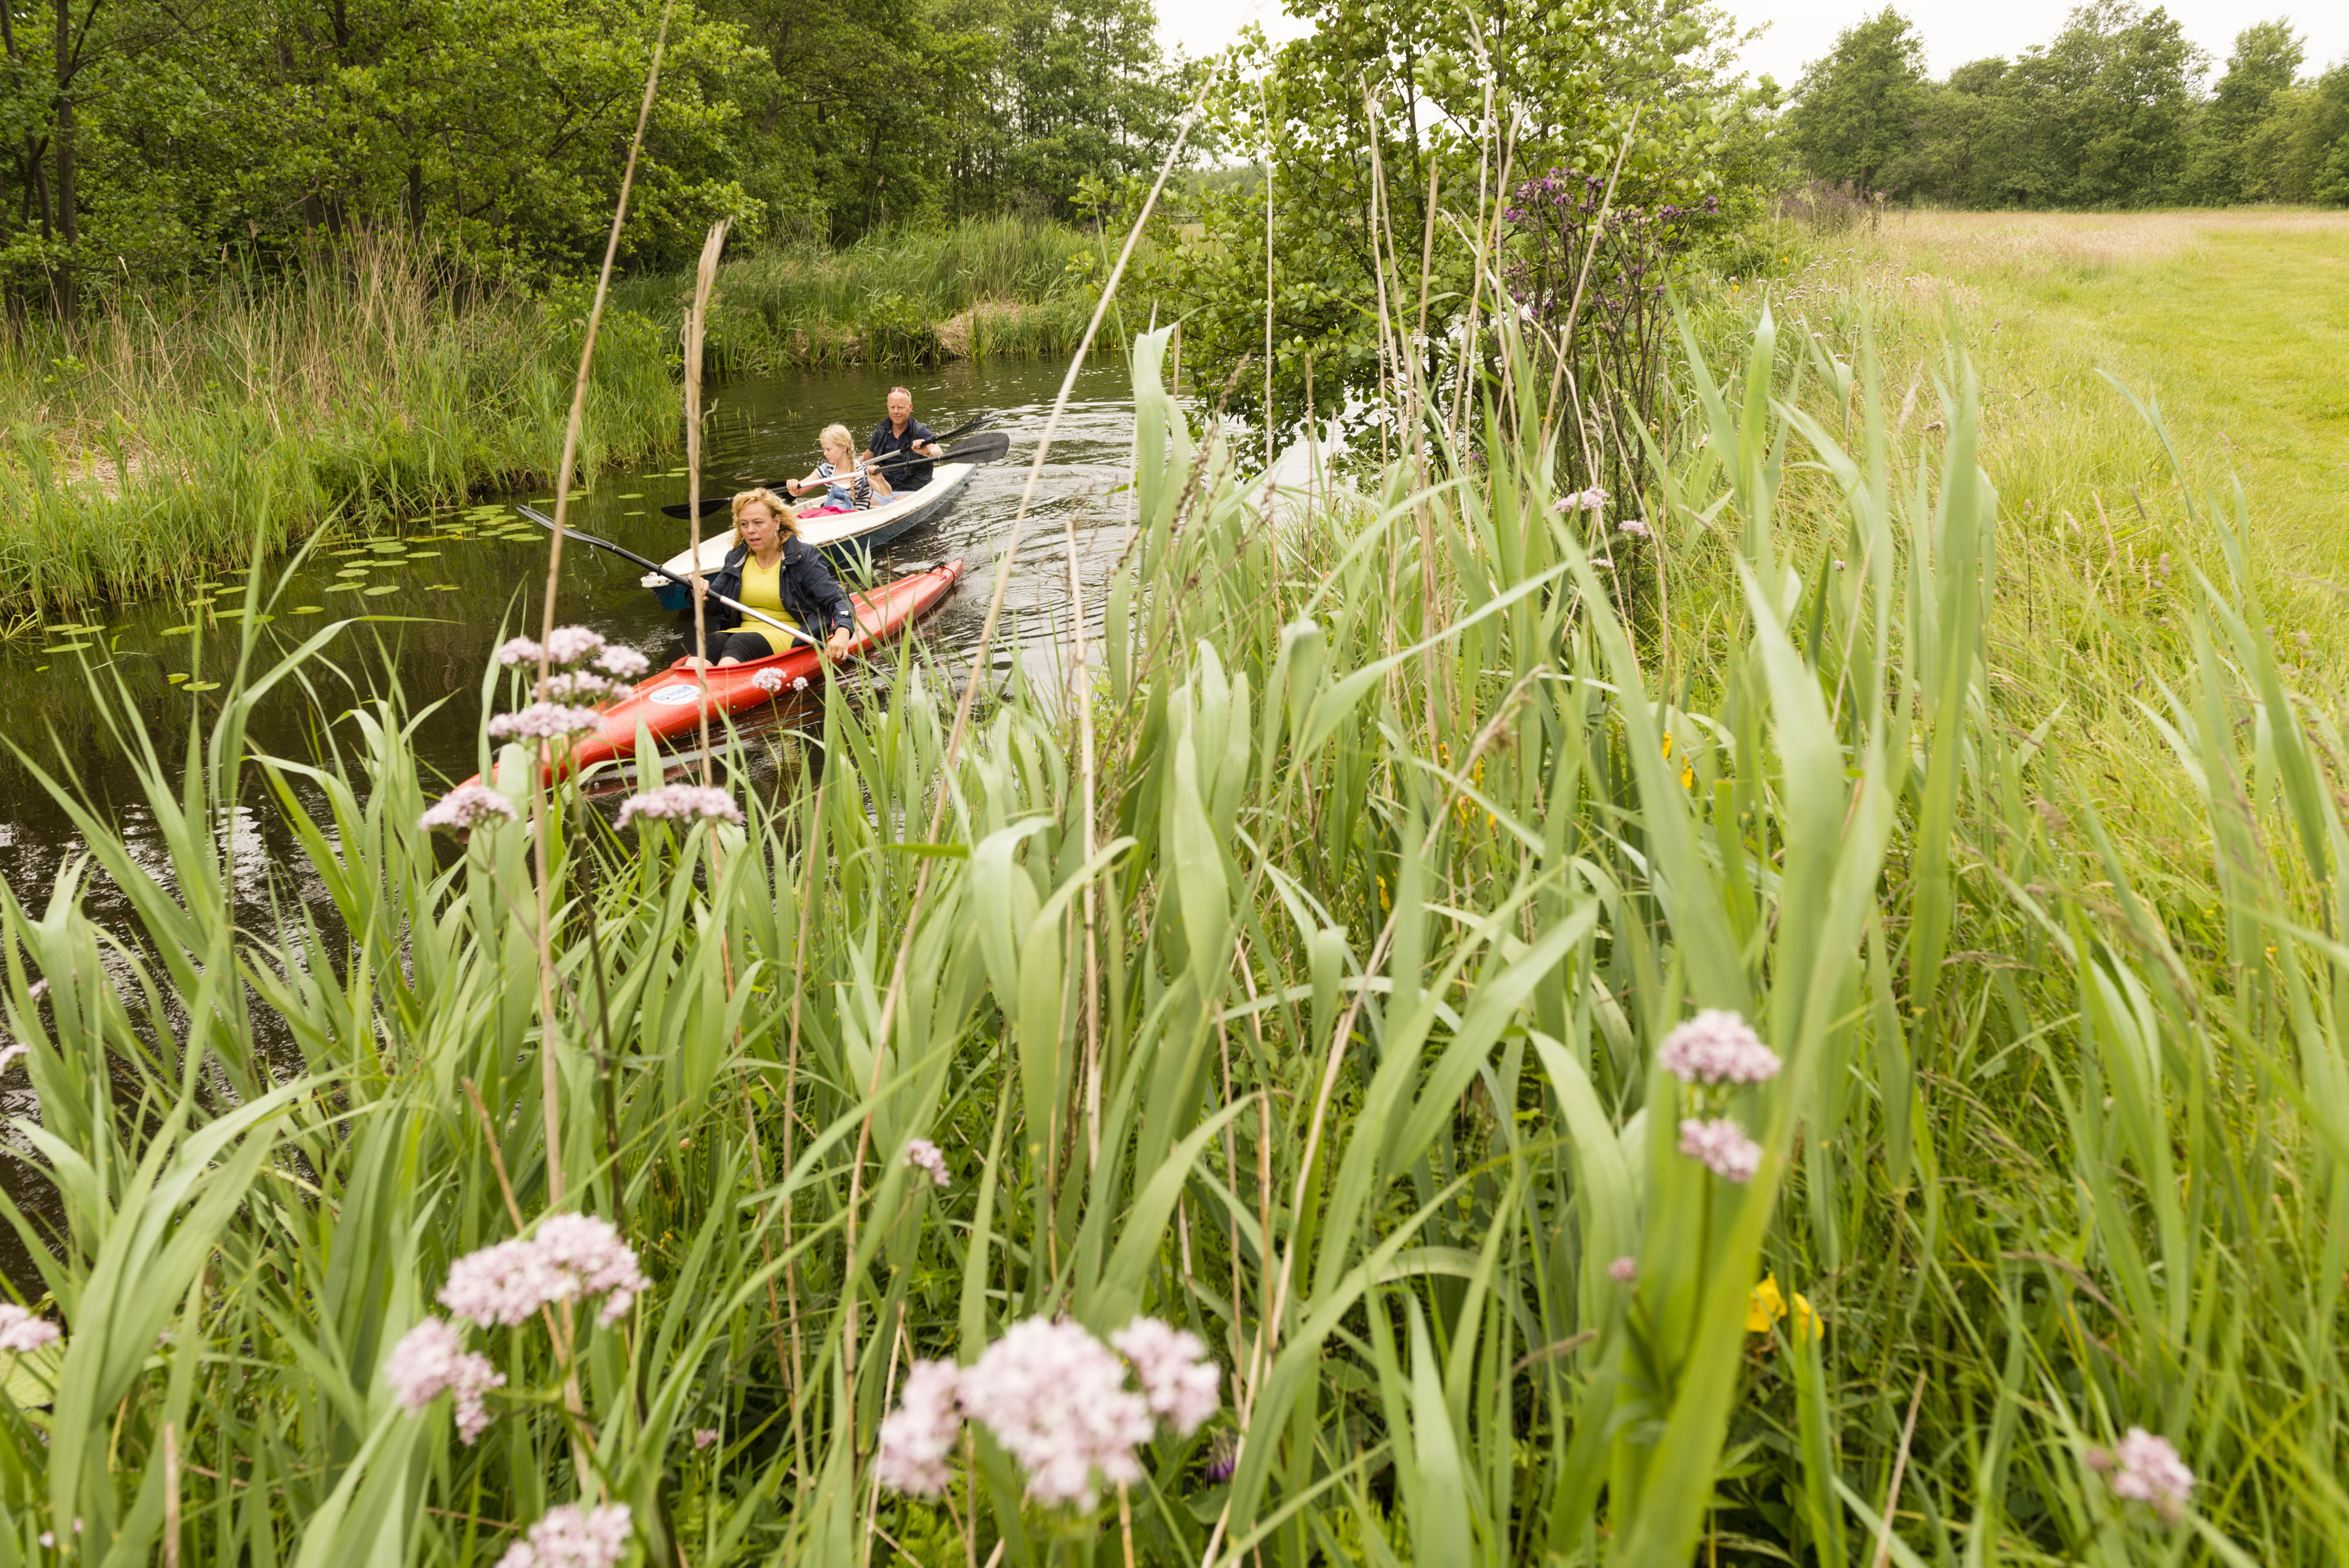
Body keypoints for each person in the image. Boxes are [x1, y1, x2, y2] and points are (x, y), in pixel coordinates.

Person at [689, 489, 857, 667]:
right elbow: (715, 606)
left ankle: (723, 680)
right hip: (742, 633)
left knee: (740, 644)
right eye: (744, 524)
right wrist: (699, 592)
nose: (750, 530)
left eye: (758, 523)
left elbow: (838, 599)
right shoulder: (737, 558)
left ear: (777, 522)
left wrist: (843, 631)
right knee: (708, 642)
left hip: (793, 633)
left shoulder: (803, 557)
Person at [788, 423, 893, 512]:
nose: (825, 453)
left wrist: (881, 480)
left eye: (828, 449)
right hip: (832, 518)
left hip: (856, 520)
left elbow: (887, 494)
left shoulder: (862, 471)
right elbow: (797, 492)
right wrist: (793, 485)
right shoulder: (825, 470)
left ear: (843, 448)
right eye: (824, 449)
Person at [863, 386, 937, 495]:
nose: (896, 411)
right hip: (885, 487)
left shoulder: (920, 430)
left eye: (901, 407)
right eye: (892, 407)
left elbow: (938, 452)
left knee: (899, 500)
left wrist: (927, 451)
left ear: (910, 407)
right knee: (869, 502)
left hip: (912, 487)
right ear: (888, 407)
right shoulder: (881, 430)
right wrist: (849, 467)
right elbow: (867, 458)